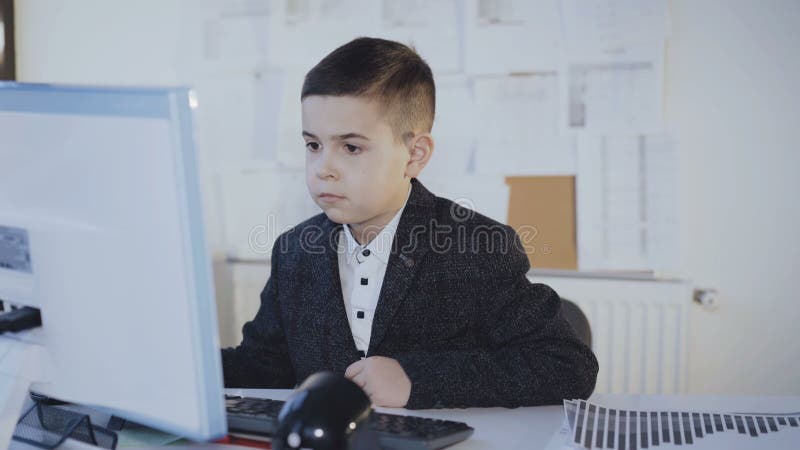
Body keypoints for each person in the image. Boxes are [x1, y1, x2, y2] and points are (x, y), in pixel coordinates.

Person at [222, 37, 598, 409]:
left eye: (351, 147)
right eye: (313, 145)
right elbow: (261, 368)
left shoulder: (478, 247)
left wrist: (416, 379)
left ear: (414, 155)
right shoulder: (294, 251)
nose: (323, 170)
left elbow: (567, 365)